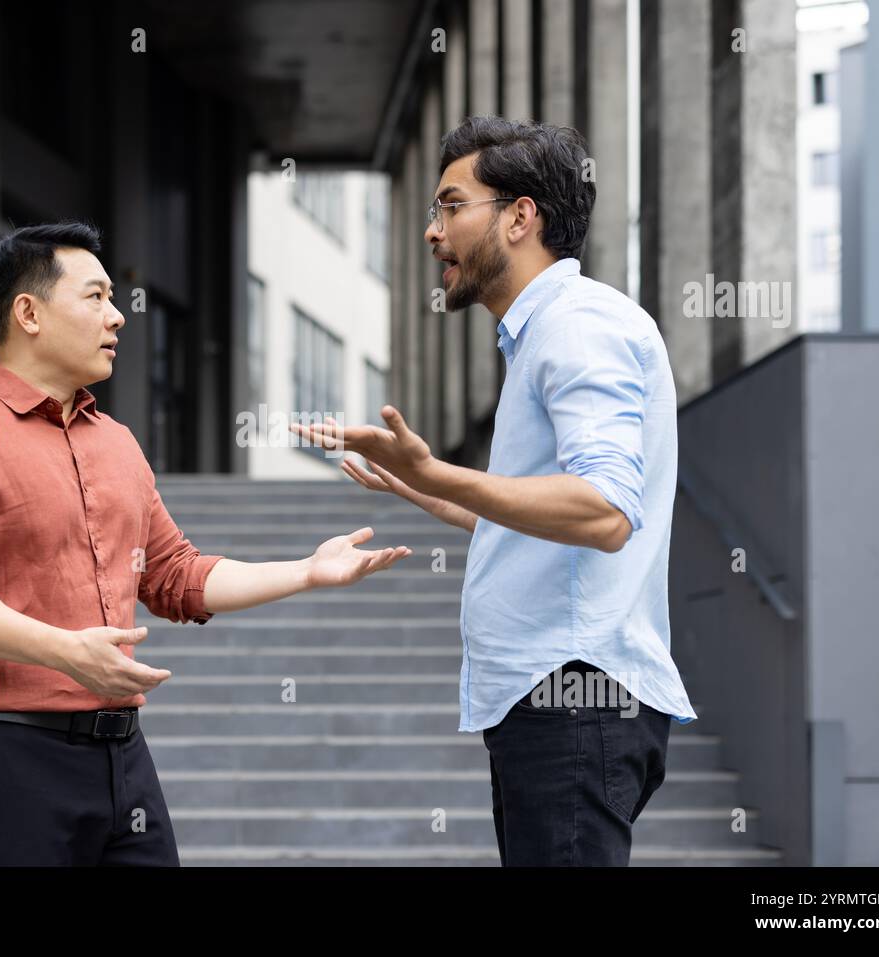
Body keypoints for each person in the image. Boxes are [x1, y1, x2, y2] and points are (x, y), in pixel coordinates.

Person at [0, 220, 411, 866]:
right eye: (95, 297)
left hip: (123, 759)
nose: (118, 316)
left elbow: (175, 575)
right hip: (9, 752)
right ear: (28, 313)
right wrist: (65, 651)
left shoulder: (116, 443)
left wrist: (307, 571)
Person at [292, 117, 698, 866]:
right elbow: (538, 514)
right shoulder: (543, 333)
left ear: (520, 216)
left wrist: (437, 472)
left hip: (573, 696)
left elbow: (606, 510)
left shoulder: (575, 325)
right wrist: (421, 488)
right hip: (552, 698)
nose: (432, 232)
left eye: (450, 206)